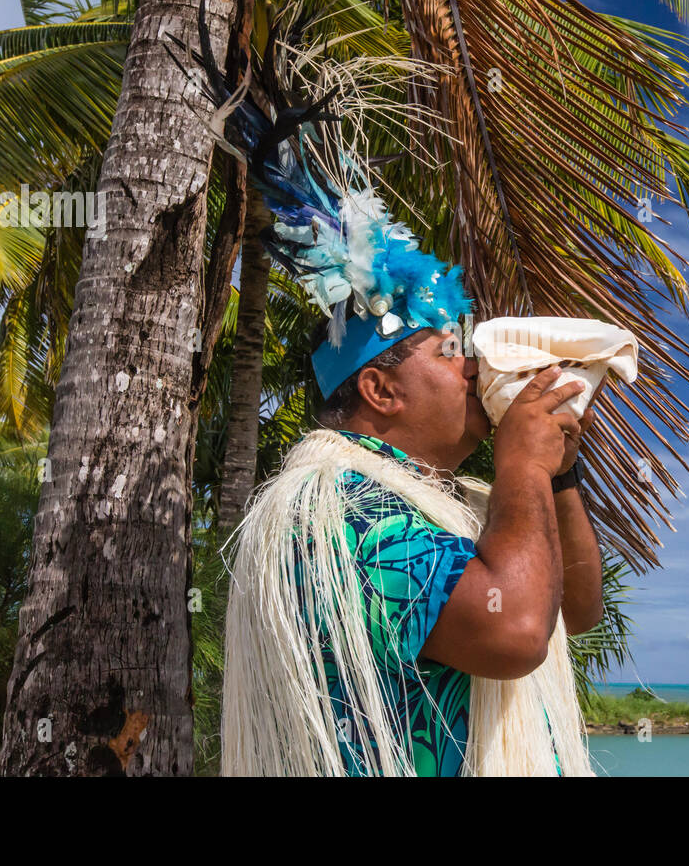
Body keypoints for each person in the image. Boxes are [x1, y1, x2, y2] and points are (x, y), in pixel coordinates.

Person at [221, 288, 603, 777]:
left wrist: (558, 474)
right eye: (449, 351)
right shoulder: (335, 506)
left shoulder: (464, 503)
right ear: (380, 390)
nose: (474, 364)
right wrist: (525, 463)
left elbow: (576, 610)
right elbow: (518, 631)